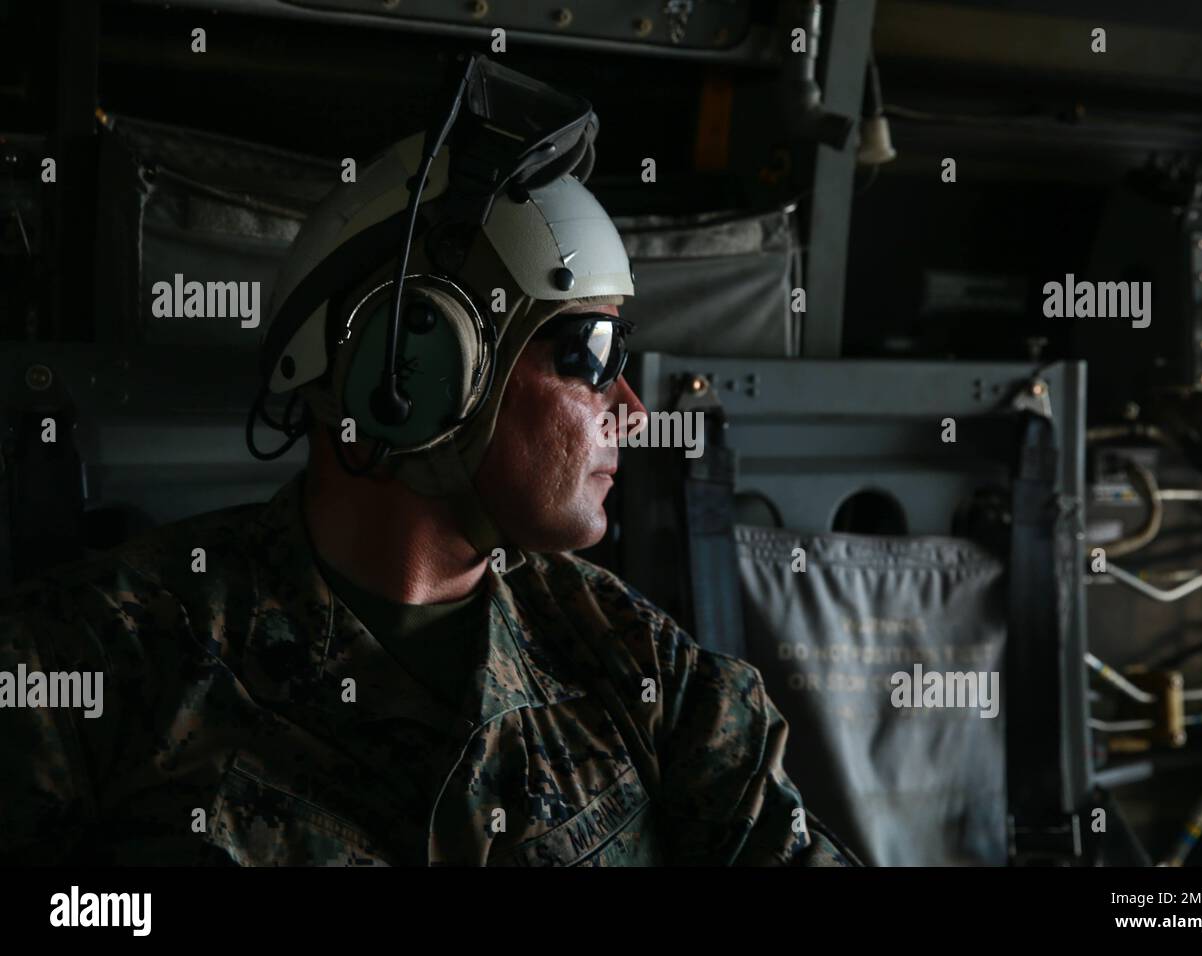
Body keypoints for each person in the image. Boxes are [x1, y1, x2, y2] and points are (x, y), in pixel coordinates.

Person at [0, 56, 860, 867]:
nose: (632, 411)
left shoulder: (645, 673)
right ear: (412, 369)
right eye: (591, 351)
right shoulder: (90, 663)